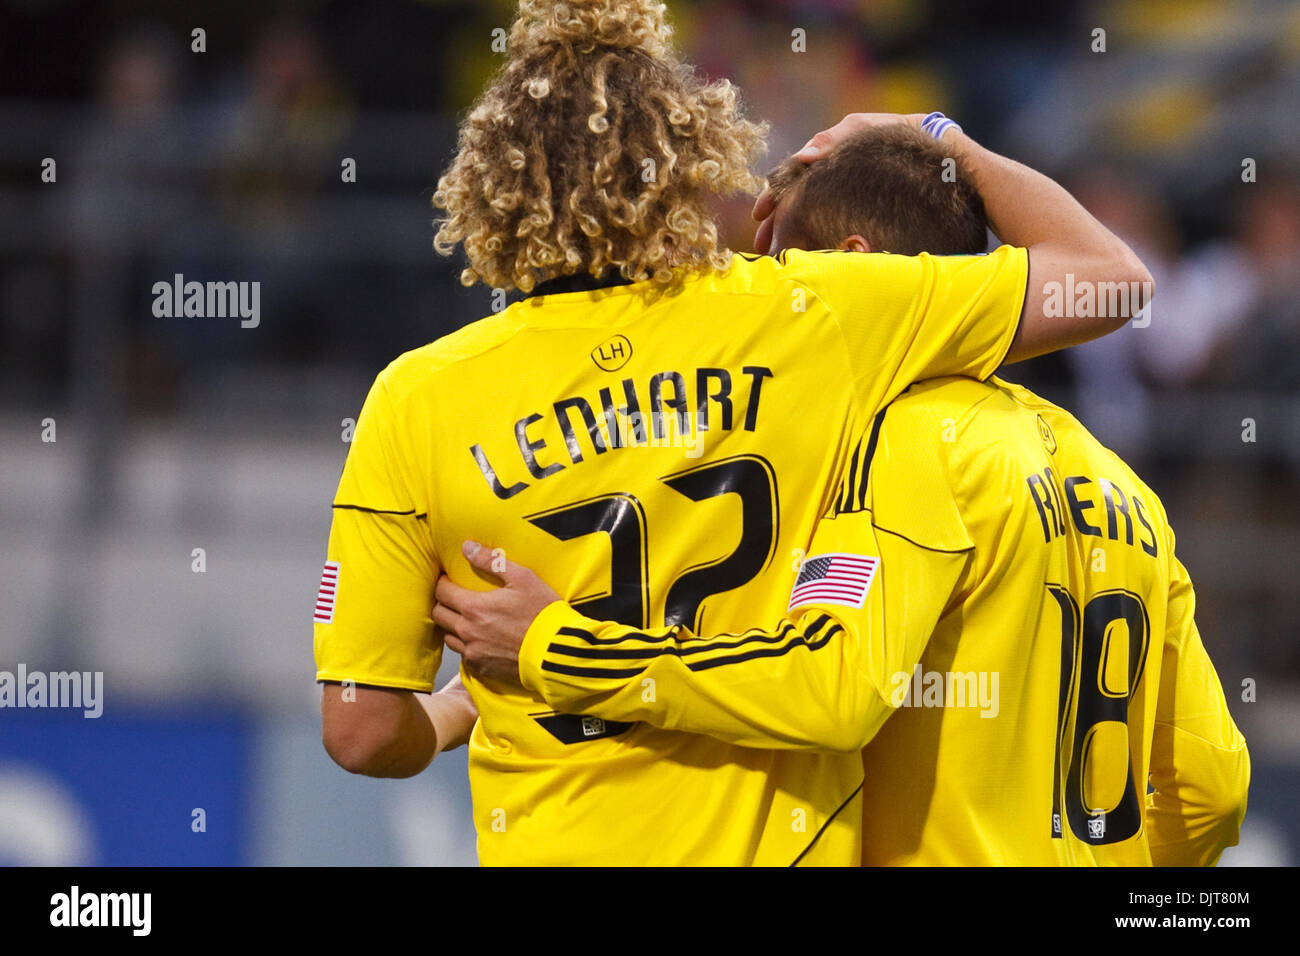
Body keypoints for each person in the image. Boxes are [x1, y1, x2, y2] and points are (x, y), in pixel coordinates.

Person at [314, 0, 1150, 865]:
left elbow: (361, 731)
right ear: (688, 158)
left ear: (490, 184)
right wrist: (937, 135)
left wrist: (463, 703)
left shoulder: (417, 394)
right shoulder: (809, 311)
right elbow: (1111, 278)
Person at [435, 123, 1248, 866]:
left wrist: (557, 648)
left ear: (853, 263)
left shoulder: (901, 445)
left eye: (780, 261)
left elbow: (828, 690)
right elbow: (1211, 791)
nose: (757, 282)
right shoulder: (1123, 486)